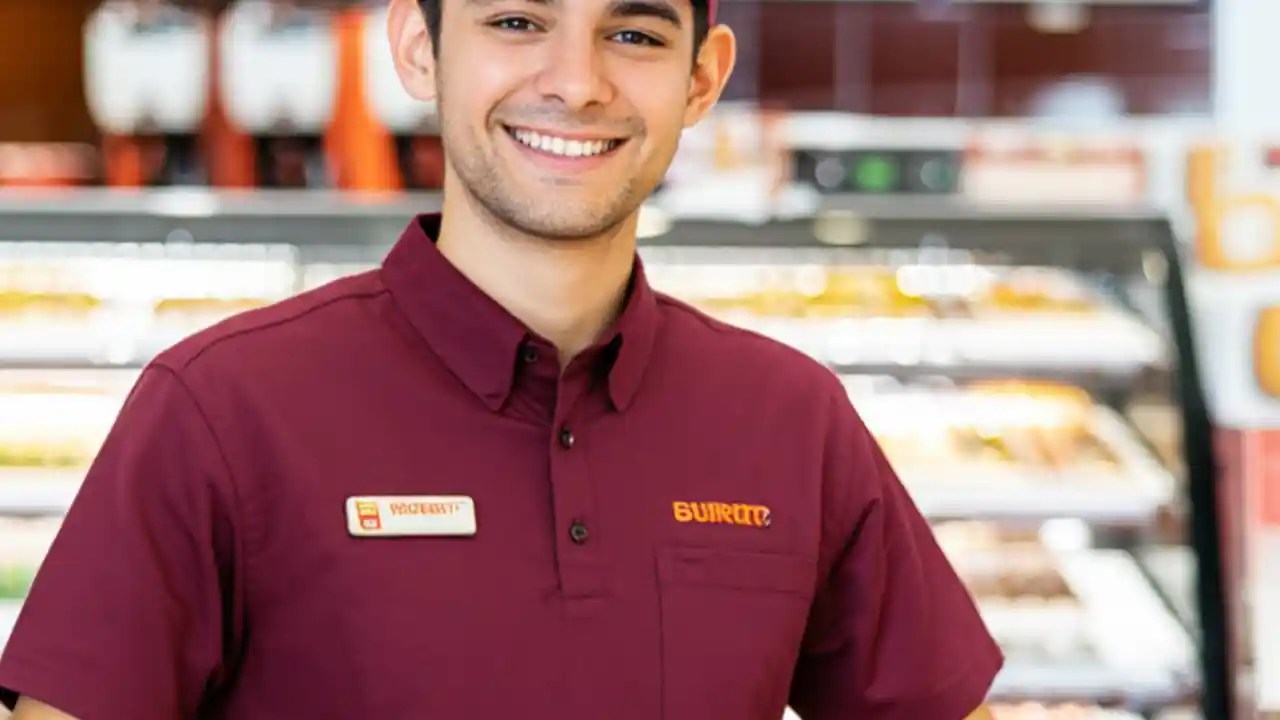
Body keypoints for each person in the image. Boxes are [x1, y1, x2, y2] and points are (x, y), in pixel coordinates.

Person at [1, 0, 1003, 717]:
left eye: (633, 33)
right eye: (517, 22)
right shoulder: (219, 411)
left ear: (701, 76)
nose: (575, 81)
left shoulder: (790, 417)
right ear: (418, 50)